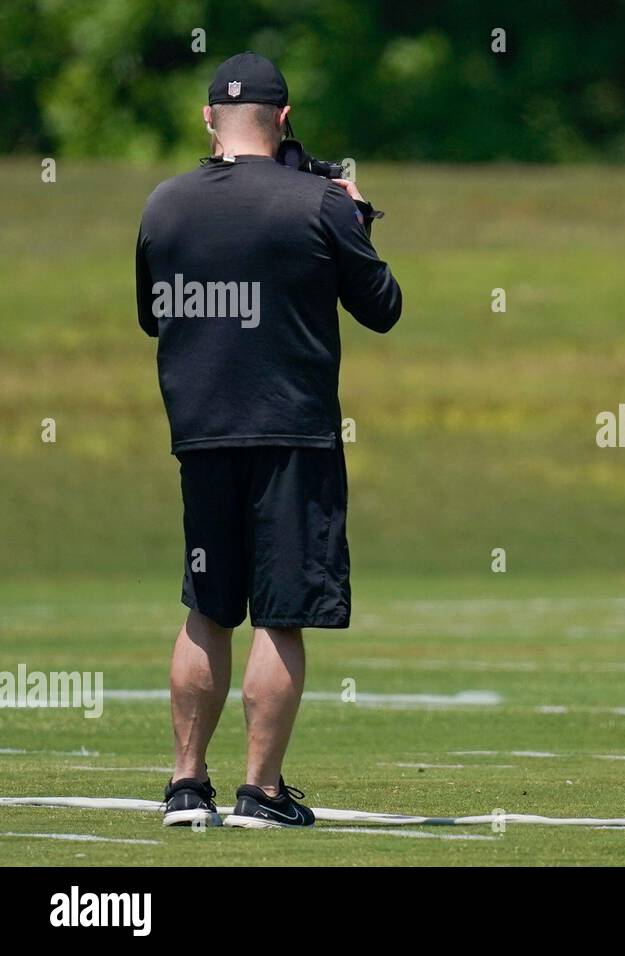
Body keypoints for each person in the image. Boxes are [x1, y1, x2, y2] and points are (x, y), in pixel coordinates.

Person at [135, 52, 402, 826]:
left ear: (206, 119)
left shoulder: (163, 204)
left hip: (201, 436)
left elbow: (155, 315)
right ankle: (263, 789)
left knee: (205, 608)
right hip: (294, 437)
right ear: (284, 119)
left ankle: (187, 785)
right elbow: (382, 307)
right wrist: (354, 217)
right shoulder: (319, 202)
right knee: (279, 615)